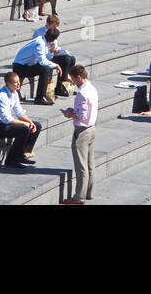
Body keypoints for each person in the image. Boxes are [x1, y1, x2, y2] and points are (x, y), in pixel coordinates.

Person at [58, 64, 97, 204]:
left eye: (73, 79)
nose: (72, 82)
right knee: (90, 163)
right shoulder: (92, 88)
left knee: (81, 165)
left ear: (79, 77)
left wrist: (69, 114)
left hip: (82, 131)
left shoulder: (82, 93)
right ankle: (88, 193)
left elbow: (82, 116)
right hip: (92, 129)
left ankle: (79, 197)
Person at [0, 72, 41, 168]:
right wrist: (25, 124)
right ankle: (11, 160)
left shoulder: (14, 93)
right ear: (8, 84)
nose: (19, 84)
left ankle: (22, 154)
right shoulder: (1, 96)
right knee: (24, 129)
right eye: (15, 82)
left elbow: (19, 112)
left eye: (18, 82)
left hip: (5, 123)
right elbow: (7, 119)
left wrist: (30, 122)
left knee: (36, 125)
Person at [12, 26, 62, 105]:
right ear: (53, 39)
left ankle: (45, 93)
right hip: (20, 67)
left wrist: (51, 51)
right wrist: (56, 65)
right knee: (45, 69)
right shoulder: (40, 43)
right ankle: (39, 97)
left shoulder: (42, 40)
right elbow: (42, 62)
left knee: (48, 67)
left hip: (27, 65)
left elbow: (46, 58)